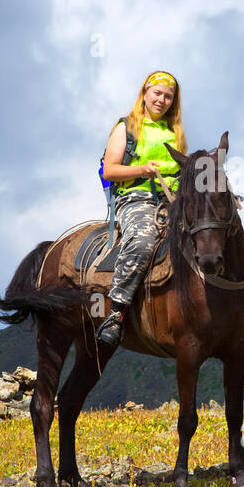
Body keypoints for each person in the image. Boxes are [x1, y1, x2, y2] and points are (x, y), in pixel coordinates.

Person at [95, 70, 186, 345]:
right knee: (144, 240)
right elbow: (109, 170)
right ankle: (116, 313)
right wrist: (142, 170)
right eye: (157, 93)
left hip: (172, 201)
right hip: (135, 198)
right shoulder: (127, 126)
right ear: (145, 93)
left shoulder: (175, 133)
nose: (162, 100)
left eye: (168, 96)